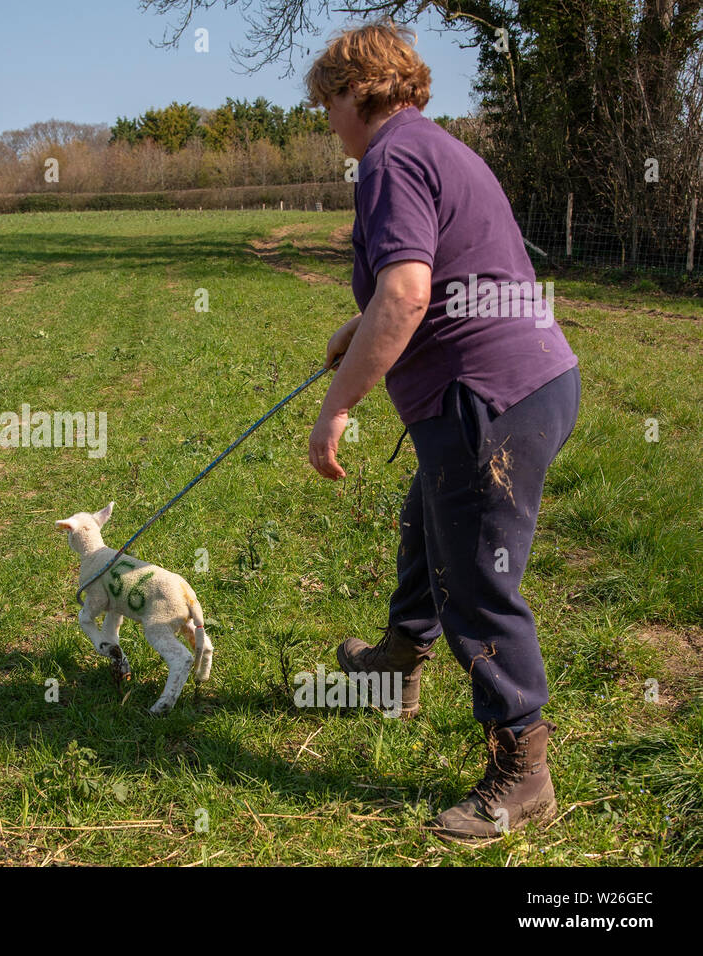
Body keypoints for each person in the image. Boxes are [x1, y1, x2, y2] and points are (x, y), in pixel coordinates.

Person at [302, 20, 581, 841]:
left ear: (359, 90)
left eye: (328, 103)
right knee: (430, 515)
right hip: (533, 380)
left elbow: (410, 291)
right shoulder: (437, 146)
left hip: (486, 400)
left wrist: (338, 406)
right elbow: (446, 268)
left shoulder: (386, 159)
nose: (328, 119)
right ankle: (397, 664)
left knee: (478, 584)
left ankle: (522, 772)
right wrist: (358, 331)